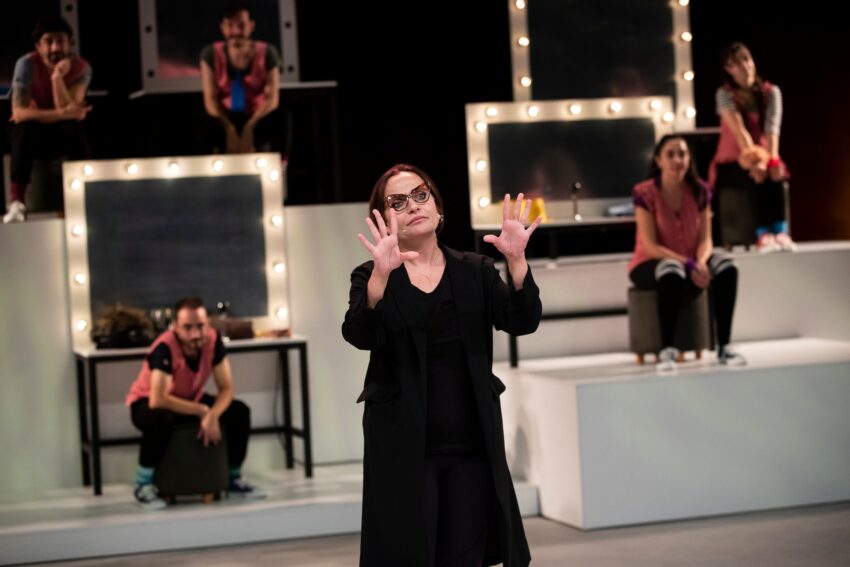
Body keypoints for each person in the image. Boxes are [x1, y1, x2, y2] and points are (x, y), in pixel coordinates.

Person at [342, 164, 542, 566]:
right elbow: (359, 334)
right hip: (403, 449)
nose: (414, 205)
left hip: (470, 445)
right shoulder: (372, 276)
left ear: (438, 206)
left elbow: (522, 321)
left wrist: (517, 261)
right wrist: (380, 278)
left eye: (421, 195)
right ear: (384, 220)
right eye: (398, 202)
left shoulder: (475, 270)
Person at [125, 297, 265, 509]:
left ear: (208, 324)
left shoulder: (213, 341)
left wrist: (213, 414)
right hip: (148, 402)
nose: (195, 334)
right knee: (160, 419)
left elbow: (226, 388)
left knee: (239, 411)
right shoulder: (164, 347)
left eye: (200, 326)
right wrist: (202, 411)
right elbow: (158, 399)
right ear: (176, 327)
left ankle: (233, 477)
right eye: (188, 327)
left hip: (189, 398)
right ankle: (143, 484)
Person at [629, 135, 746, 371]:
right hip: (651, 261)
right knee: (671, 270)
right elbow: (650, 245)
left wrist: (701, 263)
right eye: (670, 154)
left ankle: (724, 345)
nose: (677, 160)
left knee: (727, 267)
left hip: (693, 259)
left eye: (682, 154)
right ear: (658, 160)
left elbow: (706, 239)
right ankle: (667, 350)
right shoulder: (645, 193)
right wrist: (689, 264)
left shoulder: (701, 190)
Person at [708, 41, 796, 252]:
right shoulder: (725, 94)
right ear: (729, 69)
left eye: (746, 60)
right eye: (737, 63)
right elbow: (740, 132)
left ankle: (780, 232)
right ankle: (763, 234)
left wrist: (772, 160)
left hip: (765, 154)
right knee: (753, 174)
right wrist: (755, 161)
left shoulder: (771, 92)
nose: (745, 66)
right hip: (733, 159)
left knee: (776, 172)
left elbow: (772, 128)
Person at [4, 16, 92, 224]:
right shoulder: (26, 64)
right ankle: (17, 202)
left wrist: (57, 77)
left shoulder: (82, 68)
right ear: (38, 46)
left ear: (70, 43)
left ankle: (87, 196)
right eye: (48, 41)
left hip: (60, 133)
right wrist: (62, 114)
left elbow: (71, 110)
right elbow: (19, 112)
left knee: (76, 128)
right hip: (33, 131)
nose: (55, 48)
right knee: (23, 128)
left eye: (60, 41)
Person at [200, 0, 281, 154]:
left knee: (282, 119)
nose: (236, 31)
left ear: (251, 25)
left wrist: (250, 126)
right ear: (222, 28)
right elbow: (210, 99)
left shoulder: (267, 52)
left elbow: (272, 99)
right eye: (230, 25)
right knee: (204, 122)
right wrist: (229, 129)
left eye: (241, 25)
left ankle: (281, 164)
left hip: (256, 115)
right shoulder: (210, 53)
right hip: (225, 115)